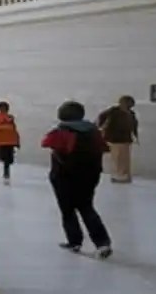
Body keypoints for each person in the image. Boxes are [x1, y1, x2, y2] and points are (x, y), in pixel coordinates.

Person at [42, 101, 113, 257]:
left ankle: (74, 242)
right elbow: (105, 148)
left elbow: (46, 143)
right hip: (90, 176)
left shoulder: (61, 131)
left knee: (67, 210)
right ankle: (102, 243)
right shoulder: (93, 131)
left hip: (63, 177)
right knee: (87, 207)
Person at [96, 95, 137, 183]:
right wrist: (101, 128)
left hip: (125, 139)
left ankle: (124, 176)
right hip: (114, 139)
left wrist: (135, 135)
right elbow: (101, 118)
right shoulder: (113, 112)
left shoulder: (130, 113)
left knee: (125, 159)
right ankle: (119, 176)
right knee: (117, 158)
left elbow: (133, 125)